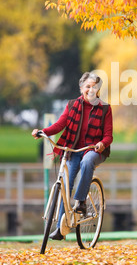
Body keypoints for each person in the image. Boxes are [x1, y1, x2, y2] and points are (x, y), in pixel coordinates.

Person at [32, 71, 113, 240]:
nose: (91, 90)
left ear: (98, 90)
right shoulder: (72, 105)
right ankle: (61, 227)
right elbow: (60, 124)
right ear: (81, 87)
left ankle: (81, 202)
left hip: (94, 150)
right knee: (65, 183)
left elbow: (108, 135)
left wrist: (102, 144)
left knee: (88, 160)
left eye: (95, 87)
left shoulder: (105, 109)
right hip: (73, 149)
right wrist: (43, 132)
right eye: (87, 86)